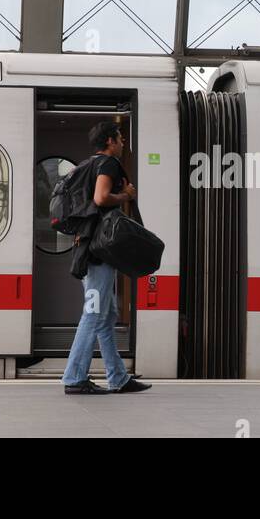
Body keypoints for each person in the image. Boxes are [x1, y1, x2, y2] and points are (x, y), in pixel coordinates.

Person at [62, 122, 152, 395]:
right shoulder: (108, 164)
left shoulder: (86, 165)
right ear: (110, 141)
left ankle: (118, 377)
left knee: (106, 314)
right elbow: (101, 198)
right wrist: (125, 195)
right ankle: (74, 377)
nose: (123, 143)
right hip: (98, 254)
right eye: (120, 138)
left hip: (90, 250)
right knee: (93, 314)